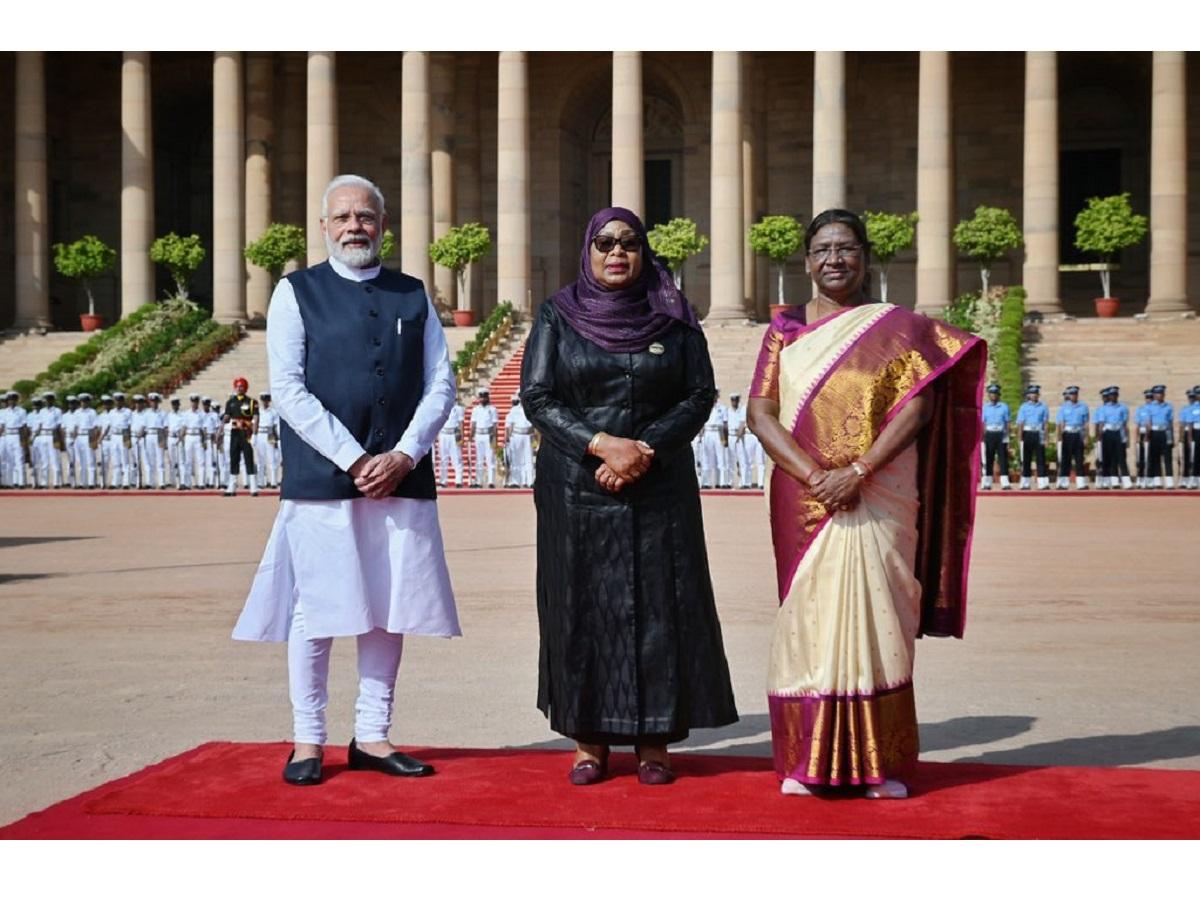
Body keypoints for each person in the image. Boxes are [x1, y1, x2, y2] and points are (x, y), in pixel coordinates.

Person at [747, 209, 984, 800]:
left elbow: (917, 408)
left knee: (880, 618)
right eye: (823, 249)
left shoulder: (901, 329)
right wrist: (814, 476)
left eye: (846, 248)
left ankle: (881, 764)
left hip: (879, 491)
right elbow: (760, 412)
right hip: (803, 500)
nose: (834, 259)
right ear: (805, 262)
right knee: (808, 621)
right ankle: (806, 763)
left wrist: (858, 470)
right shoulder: (785, 331)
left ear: (866, 257)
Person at [233, 174, 459, 786]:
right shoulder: (295, 292)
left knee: (390, 605)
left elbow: (442, 383)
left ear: (382, 225)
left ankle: (374, 734)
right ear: (325, 227)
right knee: (318, 609)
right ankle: (308, 738)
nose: (354, 226)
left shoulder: (412, 294)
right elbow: (289, 390)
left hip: (402, 477)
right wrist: (357, 460)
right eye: (343, 217)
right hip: (325, 479)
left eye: (365, 216)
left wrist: (405, 455)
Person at [521, 206, 738, 786]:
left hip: (658, 485)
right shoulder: (557, 315)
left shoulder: (672, 317)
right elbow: (538, 397)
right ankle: (588, 740)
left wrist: (642, 450)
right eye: (605, 243)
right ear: (587, 252)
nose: (617, 253)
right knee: (580, 607)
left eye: (629, 243)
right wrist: (601, 445)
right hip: (576, 488)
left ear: (644, 253)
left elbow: (699, 394)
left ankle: (654, 740)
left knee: (660, 607)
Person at [223, 377, 260, 497]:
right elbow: (227, 416)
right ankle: (231, 487)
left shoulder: (251, 402)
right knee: (234, 458)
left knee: (248, 458)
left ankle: (253, 487)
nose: (239, 388)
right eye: (237, 386)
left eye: (241, 386)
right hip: (234, 433)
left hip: (246, 433)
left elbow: (256, 418)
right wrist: (224, 419)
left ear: (245, 388)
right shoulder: (230, 402)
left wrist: (254, 434)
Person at [1093, 386, 1133, 490]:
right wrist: (1099, 437)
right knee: (1107, 458)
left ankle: (1126, 481)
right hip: (1107, 433)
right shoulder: (1103, 409)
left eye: (1115, 395)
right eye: (1111, 395)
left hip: (1119, 432)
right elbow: (1100, 424)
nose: (1113, 397)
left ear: (1117, 396)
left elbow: (1125, 424)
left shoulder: (1122, 408)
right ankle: (1107, 482)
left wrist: (1126, 438)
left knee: (1121, 458)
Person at [1016, 385, 1049, 490]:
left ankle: (1042, 482)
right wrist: (1020, 436)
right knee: (1026, 459)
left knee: (1041, 458)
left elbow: (1046, 424)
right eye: (1032, 393)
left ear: (1038, 395)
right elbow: (1020, 423)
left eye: (1036, 393)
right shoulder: (1024, 407)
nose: (1034, 395)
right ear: (1028, 395)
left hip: (1039, 433)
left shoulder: (1043, 407)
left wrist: (1046, 438)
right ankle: (1025, 483)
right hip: (1027, 432)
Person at [1055, 385, 1089, 489]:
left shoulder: (1083, 407)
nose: (1073, 396)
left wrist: (1086, 437)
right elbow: (1061, 423)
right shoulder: (1064, 407)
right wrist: (1059, 437)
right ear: (1069, 396)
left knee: (1079, 459)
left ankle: (1081, 483)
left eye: (1075, 394)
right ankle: (1064, 483)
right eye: (1072, 394)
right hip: (1067, 434)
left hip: (1078, 434)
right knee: (1066, 459)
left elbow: (1086, 423)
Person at [979, 383, 1011, 490]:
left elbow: (1007, 423)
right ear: (988, 395)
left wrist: (1007, 437)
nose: (993, 395)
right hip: (989, 434)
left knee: (1003, 458)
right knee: (988, 458)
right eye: (991, 393)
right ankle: (987, 482)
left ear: (999, 395)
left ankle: (1005, 482)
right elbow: (982, 423)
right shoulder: (985, 407)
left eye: (995, 393)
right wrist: (982, 437)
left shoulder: (1004, 407)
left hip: (1001, 434)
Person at [1145, 384, 1175, 489]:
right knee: (1155, 457)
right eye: (1158, 393)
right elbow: (1148, 422)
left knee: (1167, 457)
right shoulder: (1150, 407)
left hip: (1165, 433)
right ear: (1154, 395)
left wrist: (1172, 437)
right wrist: (1148, 435)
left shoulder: (1168, 406)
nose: (1160, 395)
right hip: (1154, 433)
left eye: (1161, 393)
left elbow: (1170, 422)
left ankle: (1169, 481)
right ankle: (1157, 480)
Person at [504, 393, 535, 488]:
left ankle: (530, 481)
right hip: (516, 435)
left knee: (529, 459)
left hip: (528, 435)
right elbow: (509, 425)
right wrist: (507, 438)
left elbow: (535, 425)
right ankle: (515, 482)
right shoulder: (514, 409)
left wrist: (536, 438)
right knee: (516, 459)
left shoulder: (531, 408)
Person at [469, 388, 498, 488]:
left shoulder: (492, 409)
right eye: (481, 397)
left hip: (488, 435)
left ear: (487, 397)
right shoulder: (475, 410)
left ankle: (491, 481)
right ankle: (479, 481)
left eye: (484, 397)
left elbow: (495, 425)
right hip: (478, 435)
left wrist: (495, 439)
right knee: (479, 460)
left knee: (490, 460)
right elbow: (473, 424)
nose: (482, 399)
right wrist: (470, 436)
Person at [436, 391, 466, 488]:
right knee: (443, 459)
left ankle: (459, 480)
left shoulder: (459, 409)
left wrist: (462, 436)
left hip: (454, 434)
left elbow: (461, 423)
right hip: (443, 434)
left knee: (457, 458)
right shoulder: (442, 407)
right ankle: (443, 480)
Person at [699, 389, 728, 489]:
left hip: (717, 432)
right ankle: (705, 482)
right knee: (706, 459)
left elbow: (725, 425)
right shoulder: (706, 406)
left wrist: (725, 439)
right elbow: (701, 422)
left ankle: (722, 482)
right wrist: (700, 435)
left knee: (721, 458)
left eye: (715, 394)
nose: (714, 396)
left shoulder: (722, 408)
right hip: (707, 432)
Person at [1, 391, 29, 488]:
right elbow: (2, 426)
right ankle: (10, 482)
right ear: (7, 401)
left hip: (17, 435)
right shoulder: (4, 412)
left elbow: (24, 427)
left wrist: (23, 441)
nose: (11, 402)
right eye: (10, 400)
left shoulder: (22, 411)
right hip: (8, 436)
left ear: (17, 400)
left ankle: (21, 482)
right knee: (9, 460)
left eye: (13, 399)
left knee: (19, 459)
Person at [180, 394, 207, 490]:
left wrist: (204, 441)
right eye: (193, 402)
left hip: (197, 437)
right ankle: (187, 483)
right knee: (188, 461)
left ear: (198, 403)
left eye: (196, 402)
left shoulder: (201, 414)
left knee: (201, 461)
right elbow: (184, 427)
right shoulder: (186, 413)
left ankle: (201, 483)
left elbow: (204, 429)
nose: (194, 404)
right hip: (188, 437)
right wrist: (181, 439)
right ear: (191, 402)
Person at [254, 392, 281, 489]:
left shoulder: (273, 412)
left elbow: (275, 426)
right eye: (263, 400)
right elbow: (255, 424)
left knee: (272, 459)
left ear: (269, 401)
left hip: (269, 435)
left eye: (267, 400)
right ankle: (261, 482)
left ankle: (273, 482)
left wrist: (276, 439)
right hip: (260, 435)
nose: (265, 402)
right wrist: (254, 436)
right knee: (260, 460)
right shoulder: (257, 412)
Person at [727, 392, 752, 489]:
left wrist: (738, 436)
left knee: (742, 460)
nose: (734, 402)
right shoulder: (728, 411)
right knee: (731, 460)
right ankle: (729, 482)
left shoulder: (741, 410)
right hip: (730, 436)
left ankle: (744, 482)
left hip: (740, 437)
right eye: (733, 400)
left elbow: (742, 424)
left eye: (736, 400)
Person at [74, 393, 99, 489]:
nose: (83, 403)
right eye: (82, 401)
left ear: (88, 402)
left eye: (85, 401)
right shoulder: (77, 412)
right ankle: (81, 482)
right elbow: (76, 426)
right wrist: (74, 438)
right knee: (80, 461)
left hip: (88, 436)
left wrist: (94, 439)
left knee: (90, 460)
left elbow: (95, 427)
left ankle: (91, 482)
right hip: (79, 436)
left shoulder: (92, 412)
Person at [1181, 386, 1200, 490]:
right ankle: (1193, 480)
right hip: (1196, 432)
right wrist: (1190, 437)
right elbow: (1189, 423)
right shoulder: (1192, 408)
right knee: (1194, 457)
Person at [1135, 387, 1154, 488]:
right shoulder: (1140, 409)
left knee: (1151, 458)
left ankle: (1150, 480)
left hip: (1153, 434)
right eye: (1147, 397)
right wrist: (1137, 437)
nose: (1149, 399)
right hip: (1143, 433)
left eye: (1151, 397)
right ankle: (1140, 478)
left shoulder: (1155, 409)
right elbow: (1137, 424)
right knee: (1141, 458)